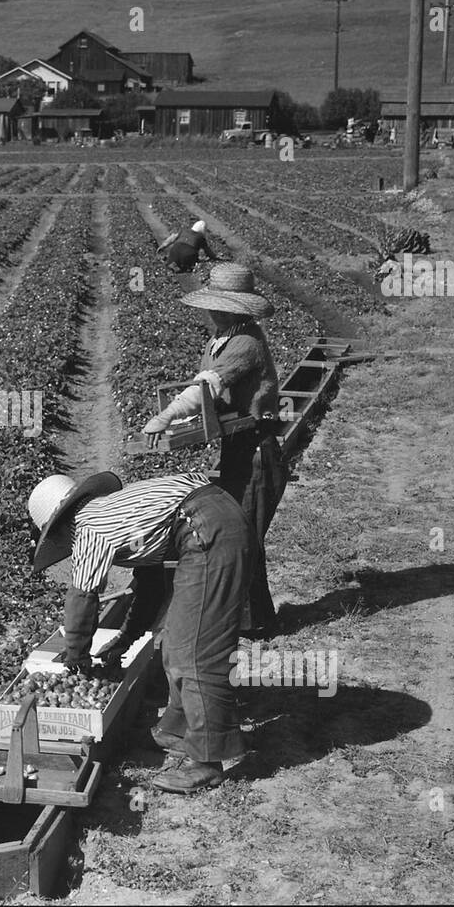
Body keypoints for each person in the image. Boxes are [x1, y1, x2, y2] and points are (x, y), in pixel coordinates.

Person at [27, 470, 255, 792]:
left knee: (195, 651)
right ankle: (177, 728)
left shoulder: (89, 527)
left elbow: (82, 597)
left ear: (62, 527)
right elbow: (150, 589)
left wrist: (76, 655)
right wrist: (125, 639)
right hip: (212, 517)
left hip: (206, 529)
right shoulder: (117, 512)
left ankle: (207, 760)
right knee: (177, 643)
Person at [141, 263, 285, 638]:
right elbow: (211, 394)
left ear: (239, 308)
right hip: (237, 445)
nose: (214, 312)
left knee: (246, 535)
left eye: (223, 305)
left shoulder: (246, 343)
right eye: (213, 305)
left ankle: (253, 624)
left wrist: (168, 415)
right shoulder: (220, 339)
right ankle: (248, 618)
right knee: (237, 531)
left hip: (257, 448)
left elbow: (207, 387)